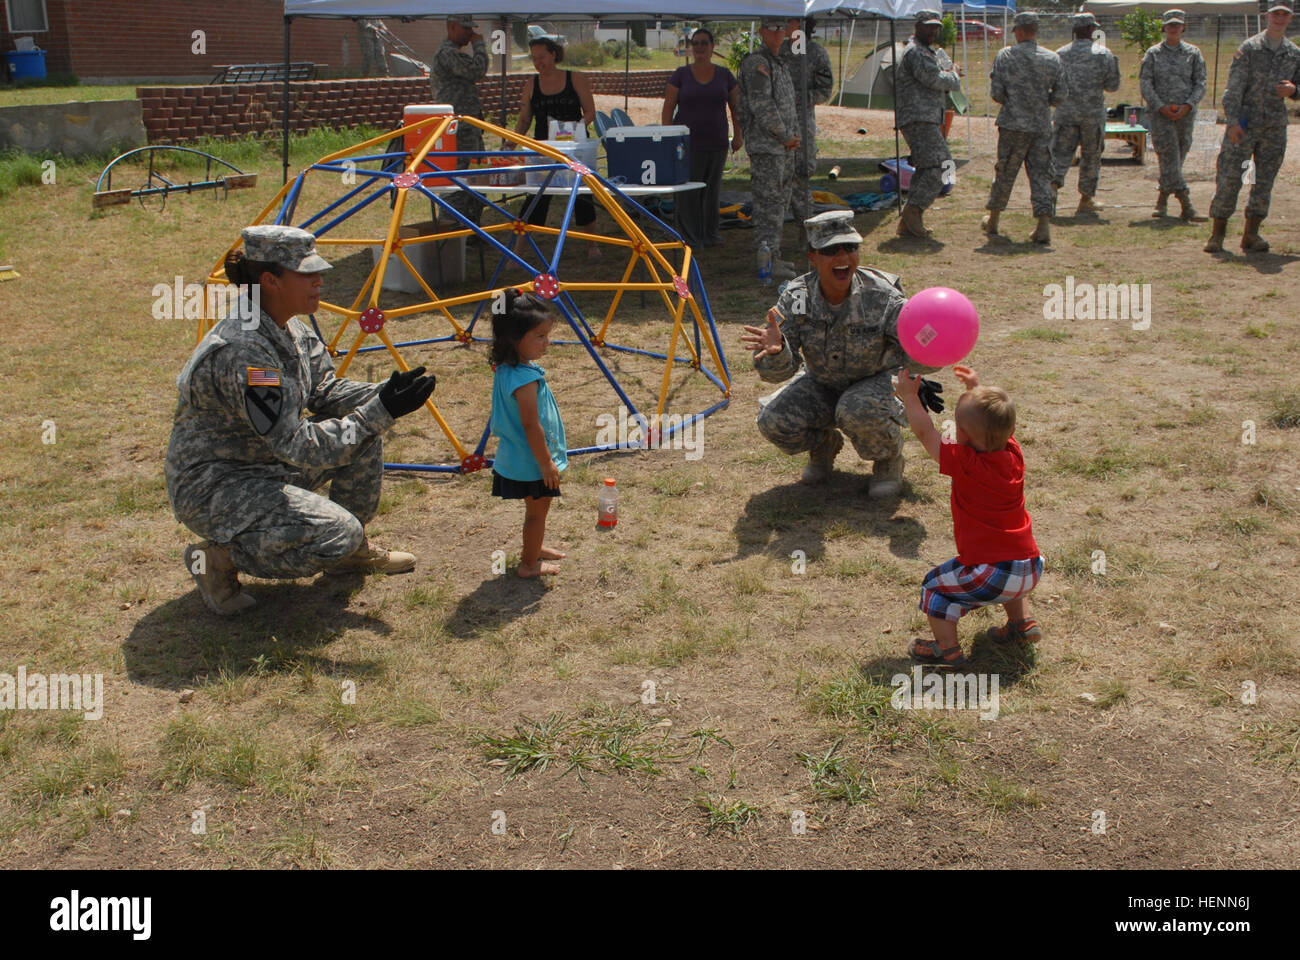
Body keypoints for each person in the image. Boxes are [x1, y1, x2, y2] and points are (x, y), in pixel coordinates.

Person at [165, 226, 436, 615]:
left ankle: (350, 553)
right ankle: (219, 557)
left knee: (361, 432)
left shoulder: (289, 325)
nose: (319, 281)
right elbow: (297, 444)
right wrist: (380, 412)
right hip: (217, 486)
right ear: (270, 280)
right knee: (338, 527)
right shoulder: (244, 351)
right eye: (307, 274)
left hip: (263, 465)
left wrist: (385, 395)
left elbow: (323, 389)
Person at [740, 211, 939, 496]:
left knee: (855, 409)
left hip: (879, 382)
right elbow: (775, 374)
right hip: (823, 383)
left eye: (851, 247)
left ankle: (888, 459)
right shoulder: (798, 297)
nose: (843, 256)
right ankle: (824, 445)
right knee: (773, 420)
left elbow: (915, 359)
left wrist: (932, 350)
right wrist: (779, 351)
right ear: (813, 257)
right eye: (831, 250)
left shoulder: (882, 295)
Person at [895, 365, 1041, 668]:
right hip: (1029, 568)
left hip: (993, 574)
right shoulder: (1013, 454)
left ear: (962, 434)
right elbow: (988, 425)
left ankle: (945, 649)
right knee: (1007, 562)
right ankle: (1021, 624)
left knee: (934, 587)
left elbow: (925, 433)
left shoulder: (966, 463)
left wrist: (909, 397)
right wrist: (975, 389)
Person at [1205, 0, 1300, 253]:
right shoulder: (1249, 48)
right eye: (1275, 14)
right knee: (1230, 177)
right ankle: (1217, 234)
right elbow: (1232, 90)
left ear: (1290, 19)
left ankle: (1251, 234)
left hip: (1274, 127)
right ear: (1267, 17)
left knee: (1264, 181)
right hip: (1244, 125)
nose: (1280, 19)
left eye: (1285, 15)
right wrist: (1233, 123)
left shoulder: (1294, 53)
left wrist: (1294, 91)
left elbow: (1298, 88)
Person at [489, 289, 568, 578]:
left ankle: (533, 549)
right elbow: (530, 425)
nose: (548, 342)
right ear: (513, 338)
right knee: (536, 514)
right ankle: (529, 565)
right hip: (531, 463)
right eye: (540, 336)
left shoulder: (508, 368)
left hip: (521, 459)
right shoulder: (524, 379)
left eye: (548, 334)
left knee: (537, 511)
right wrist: (546, 463)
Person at [513, 35, 601, 261]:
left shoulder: (576, 79)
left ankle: (592, 244)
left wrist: (574, 129)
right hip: (543, 150)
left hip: (575, 147)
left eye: (541, 57)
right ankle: (518, 252)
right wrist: (510, 141)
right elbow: (524, 119)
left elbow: (590, 112)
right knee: (535, 197)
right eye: (534, 58)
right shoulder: (531, 84)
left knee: (581, 195)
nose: (538, 62)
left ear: (554, 54)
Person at [982, 12, 1067, 245]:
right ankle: (1043, 224)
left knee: (1006, 172)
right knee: (1041, 174)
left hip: (1012, 125)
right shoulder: (1053, 58)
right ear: (1035, 31)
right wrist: (1041, 103)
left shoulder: (1006, 56)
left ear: (1019, 31)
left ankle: (994, 219)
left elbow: (996, 93)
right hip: (1040, 125)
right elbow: (1060, 95)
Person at [661, 28, 741, 249]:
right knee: (688, 193)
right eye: (695, 43)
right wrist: (667, 137)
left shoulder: (725, 75)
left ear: (712, 46)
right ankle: (689, 238)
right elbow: (668, 107)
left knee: (711, 191)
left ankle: (710, 234)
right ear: (691, 47)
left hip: (717, 141)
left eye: (704, 43)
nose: (700, 47)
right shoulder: (680, 74)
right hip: (685, 145)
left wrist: (739, 135)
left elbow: (736, 108)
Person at [738, 19, 800, 284]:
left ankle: (773, 255)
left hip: (783, 148)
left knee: (779, 205)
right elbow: (762, 104)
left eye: (780, 29)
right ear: (762, 32)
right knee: (768, 206)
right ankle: (766, 262)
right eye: (771, 29)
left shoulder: (780, 62)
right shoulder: (756, 63)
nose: (777, 34)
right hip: (768, 147)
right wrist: (784, 135)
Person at [894, 9, 963, 238]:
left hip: (924, 118)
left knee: (926, 167)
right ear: (918, 27)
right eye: (929, 26)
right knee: (942, 165)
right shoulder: (916, 52)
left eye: (936, 27)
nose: (933, 31)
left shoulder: (926, 51)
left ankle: (910, 221)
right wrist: (953, 75)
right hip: (919, 118)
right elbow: (935, 79)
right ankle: (913, 211)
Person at [1139, 10, 1207, 220]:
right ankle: (1186, 203)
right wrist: (1160, 106)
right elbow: (1145, 82)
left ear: (1183, 27)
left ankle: (1162, 199)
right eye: (1170, 25)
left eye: (1177, 25)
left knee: (1177, 156)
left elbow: (1201, 82)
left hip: (1185, 115)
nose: (1174, 28)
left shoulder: (1193, 53)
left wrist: (1188, 105)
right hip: (1161, 114)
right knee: (1168, 155)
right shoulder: (1153, 53)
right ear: (1164, 28)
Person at [1051, 12, 1121, 216]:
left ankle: (1051, 193)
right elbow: (1112, 86)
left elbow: (1052, 85)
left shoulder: (1059, 54)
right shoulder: (1104, 54)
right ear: (1092, 29)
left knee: (1060, 155)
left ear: (1074, 30)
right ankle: (1086, 200)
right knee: (1091, 158)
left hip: (1066, 113)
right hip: (1092, 115)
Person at [433, 15, 489, 226]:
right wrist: (479, 45)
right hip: (456, 130)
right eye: (466, 29)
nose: (470, 34)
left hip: (469, 128)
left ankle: (472, 230)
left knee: (478, 179)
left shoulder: (455, 54)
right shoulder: (447, 54)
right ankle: (450, 234)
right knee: (457, 182)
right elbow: (476, 70)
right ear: (452, 27)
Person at [780, 17, 835, 226]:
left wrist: (793, 97)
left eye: (790, 21)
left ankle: (808, 230)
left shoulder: (816, 53)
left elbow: (824, 91)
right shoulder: (778, 50)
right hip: (777, 125)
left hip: (802, 125)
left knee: (801, 176)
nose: (785, 26)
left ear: (803, 25)